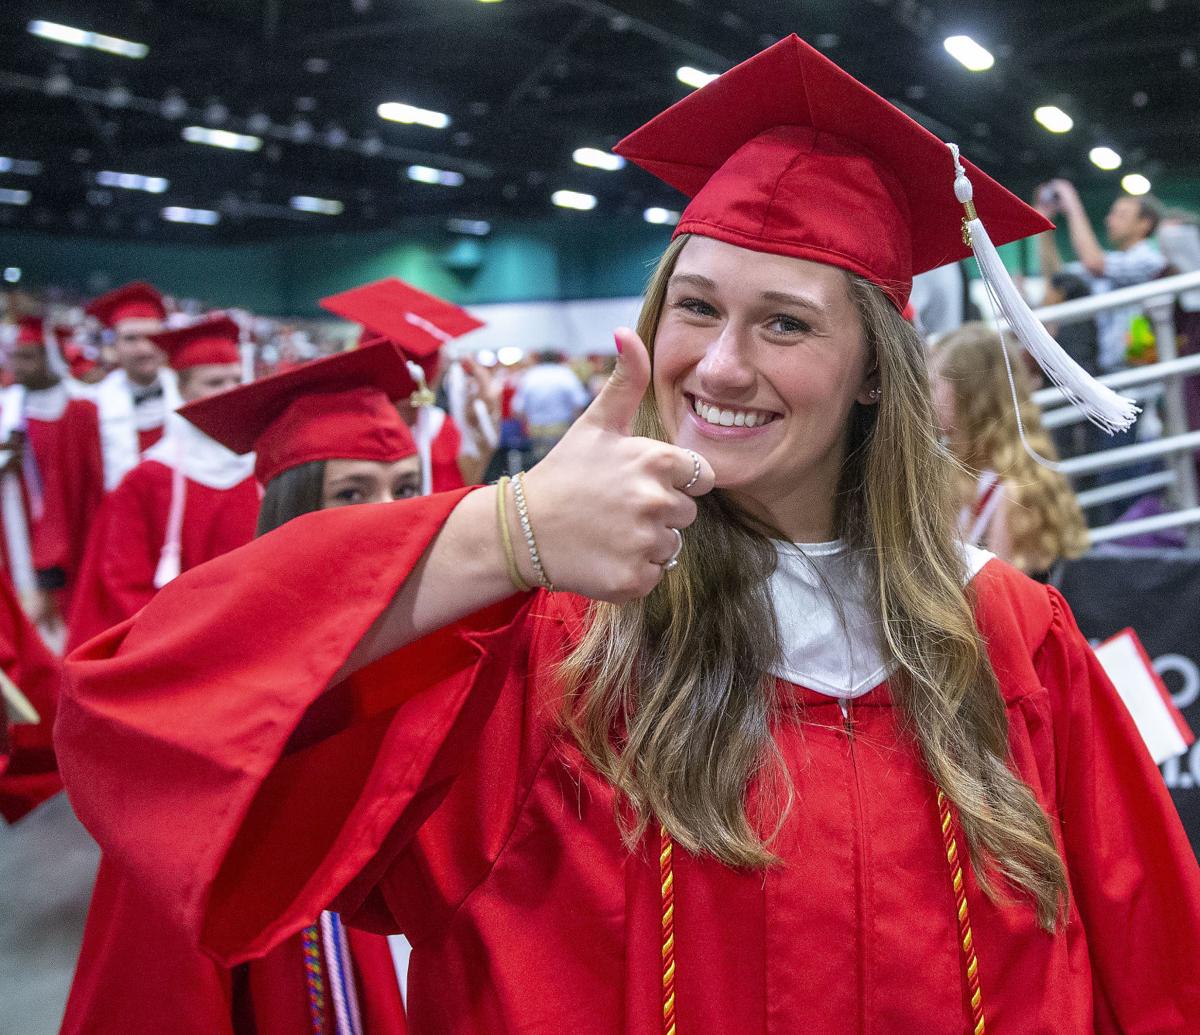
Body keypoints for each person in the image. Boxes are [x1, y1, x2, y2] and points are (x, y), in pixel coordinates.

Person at [58, 35, 1200, 1032]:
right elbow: (142, 723)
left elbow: (1156, 967)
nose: (720, 363)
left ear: (871, 377)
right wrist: (498, 537)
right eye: (694, 307)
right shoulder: (539, 638)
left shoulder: (1003, 632)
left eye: (785, 322)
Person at [61, 341, 417, 1035]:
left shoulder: (426, 633)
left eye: (405, 487)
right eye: (351, 491)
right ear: (290, 507)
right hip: (287, 961)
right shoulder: (223, 687)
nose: (390, 512)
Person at [66, 316, 258, 651]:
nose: (230, 392)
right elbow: (125, 582)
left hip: (254, 636)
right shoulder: (148, 478)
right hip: (178, 644)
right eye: (214, 383)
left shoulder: (260, 469)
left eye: (236, 380)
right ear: (181, 390)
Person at [930, 322, 1089, 578]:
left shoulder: (1013, 492)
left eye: (933, 385)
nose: (924, 397)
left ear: (968, 393)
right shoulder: (956, 472)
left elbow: (998, 600)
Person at [320, 277, 497, 490]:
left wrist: (482, 440)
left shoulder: (444, 430)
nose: (410, 408)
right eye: (398, 400)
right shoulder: (338, 437)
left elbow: (461, 491)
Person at [0, 317, 104, 634]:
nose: (18, 365)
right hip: (17, 539)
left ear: (52, 357)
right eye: (15, 356)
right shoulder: (7, 412)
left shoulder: (81, 411)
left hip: (74, 538)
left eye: (29, 356)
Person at [1035, 181, 1167, 375]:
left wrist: (1073, 206)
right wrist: (1043, 226)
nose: (1109, 220)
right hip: (1107, 371)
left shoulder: (1150, 260)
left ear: (1145, 224)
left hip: (1137, 374)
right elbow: (1059, 276)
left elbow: (1094, 264)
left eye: (1120, 215)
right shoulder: (1114, 261)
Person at [84, 281, 181, 490]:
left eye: (152, 338)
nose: (144, 349)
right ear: (114, 345)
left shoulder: (189, 398)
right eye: (131, 339)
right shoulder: (89, 409)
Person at [511, 349, 590, 463]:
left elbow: (517, 409)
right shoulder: (565, 374)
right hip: (561, 428)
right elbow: (580, 402)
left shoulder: (530, 376)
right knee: (562, 463)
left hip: (536, 430)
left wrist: (526, 425)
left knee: (540, 464)